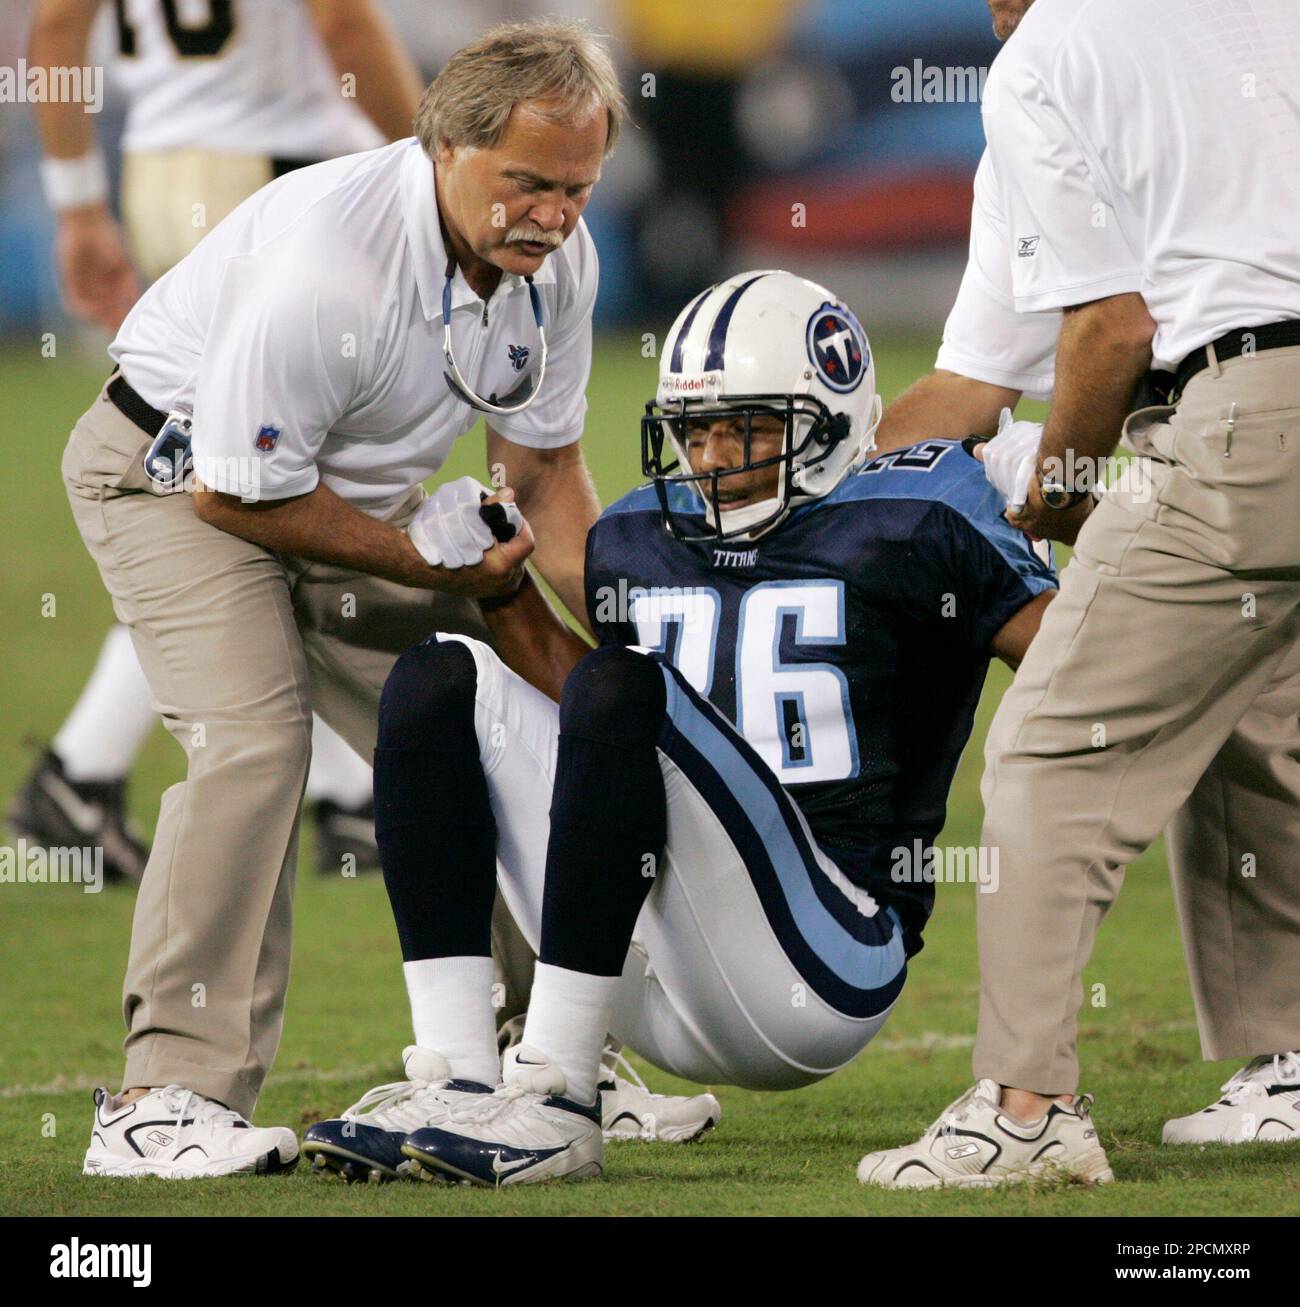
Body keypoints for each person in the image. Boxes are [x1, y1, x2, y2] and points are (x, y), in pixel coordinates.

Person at [296, 269, 1068, 1187]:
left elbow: (1079, 667)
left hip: (825, 955)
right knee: (437, 677)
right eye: (696, 429)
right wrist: (497, 585)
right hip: (654, 958)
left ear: (832, 417)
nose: (712, 457)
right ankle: (461, 1073)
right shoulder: (640, 535)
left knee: (629, 686)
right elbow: (597, 718)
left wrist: (1053, 514)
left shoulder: (915, 517)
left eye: (746, 427)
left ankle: (558, 1094)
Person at [71, 18, 626, 1179]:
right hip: (173, 478)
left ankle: (541, 1062)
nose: (553, 215)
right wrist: (422, 561)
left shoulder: (557, 261)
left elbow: (543, 472)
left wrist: (628, 624)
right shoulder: (332, 262)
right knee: (254, 742)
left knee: (486, 710)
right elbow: (234, 493)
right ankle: (161, 1096)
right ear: (443, 145)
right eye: (526, 182)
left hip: (331, 502)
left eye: (575, 188)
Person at [859, 0, 1300, 1189]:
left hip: (1242, 416)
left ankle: (1027, 1106)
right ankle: (1293, 1061)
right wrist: (840, 472)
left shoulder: (1048, 53)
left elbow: (1109, 332)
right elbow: (974, 376)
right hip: (1251, 416)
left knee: (1054, 749)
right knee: (1256, 718)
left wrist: (1055, 492)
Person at [16, 0, 425, 877]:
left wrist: (78, 207)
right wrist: (436, 161)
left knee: (265, 481)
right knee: (259, 495)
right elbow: (345, 23)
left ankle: (348, 792)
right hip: (273, 167)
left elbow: (54, 26)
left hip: (162, 165)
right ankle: (82, 768)